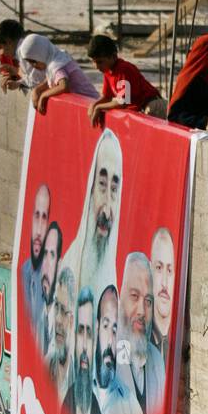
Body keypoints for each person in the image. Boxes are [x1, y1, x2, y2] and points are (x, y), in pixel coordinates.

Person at [63, 129, 122, 310]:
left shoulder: (113, 297)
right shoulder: (67, 270)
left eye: (113, 190)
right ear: (91, 190)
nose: (106, 210)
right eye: (102, 185)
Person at [116, 252, 165, 414]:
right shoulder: (107, 360)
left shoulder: (157, 362)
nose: (142, 311)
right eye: (134, 296)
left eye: (148, 301)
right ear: (119, 300)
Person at [92, 283, 145, 414]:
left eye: (115, 330)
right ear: (96, 327)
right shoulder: (78, 392)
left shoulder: (131, 408)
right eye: (106, 325)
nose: (110, 340)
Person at [86, 34, 166, 125]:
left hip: (152, 104)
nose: (96, 66)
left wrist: (99, 107)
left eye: (100, 62)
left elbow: (122, 102)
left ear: (113, 56)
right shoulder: (107, 71)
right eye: (94, 62)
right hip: (140, 108)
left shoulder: (123, 69)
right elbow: (107, 97)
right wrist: (94, 104)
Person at [62, 287, 104, 414]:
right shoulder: (65, 408)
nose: (85, 346)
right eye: (81, 331)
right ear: (74, 337)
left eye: (90, 333)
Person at [17, 35, 99, 113]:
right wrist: (37, 90)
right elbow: (52, 77)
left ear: (40, 54)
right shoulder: (55, 57)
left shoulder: (56, 65)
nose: (33, 66)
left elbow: (63, 86)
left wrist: (44, 95)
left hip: (90, 103)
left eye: (34, 61)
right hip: (87, 104)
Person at [20, 183, 50, 331]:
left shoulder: (50, 282)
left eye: (44, 218)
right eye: (36, 215)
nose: (38, 230)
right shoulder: (22, 273)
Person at [48, 265, 76, 399]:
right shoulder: (44, 366)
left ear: (73, 321)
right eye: (56, 307)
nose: (58, 319)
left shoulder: (79, 380)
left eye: (64, 311)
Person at [150, 228, 175, 362]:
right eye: (159, 268)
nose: (164, 283)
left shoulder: (180, 339)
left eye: (170, 270)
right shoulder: (138, 339)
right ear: (150, 270)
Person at [37, 222, 62, 355]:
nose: (46, 265)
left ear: (59, 264)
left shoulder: (62, 323)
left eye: (51, 255)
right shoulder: (36, 315)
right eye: (44, 255)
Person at [0, 19, 24, 90]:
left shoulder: (29, 54)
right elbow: (13, 75)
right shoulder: (5, 56)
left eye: (0, 47)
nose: (1, 52)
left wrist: (18, 79)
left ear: (9, 42)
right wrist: (12, 77)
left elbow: (36, 78)